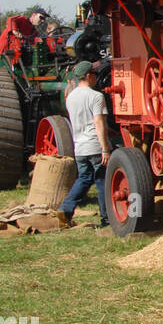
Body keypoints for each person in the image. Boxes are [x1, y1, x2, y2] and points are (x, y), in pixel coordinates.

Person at [59, 60, 110, 228]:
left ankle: (66, 209)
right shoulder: (96, 96)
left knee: (84, 178)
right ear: (88, 76)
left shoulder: (70, 97)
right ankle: (106, 218)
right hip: (95, 145)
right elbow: (98, 123)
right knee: (102, 180)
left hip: (79, 146)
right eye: (95, 74)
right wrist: (105, 149)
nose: (96, 77)